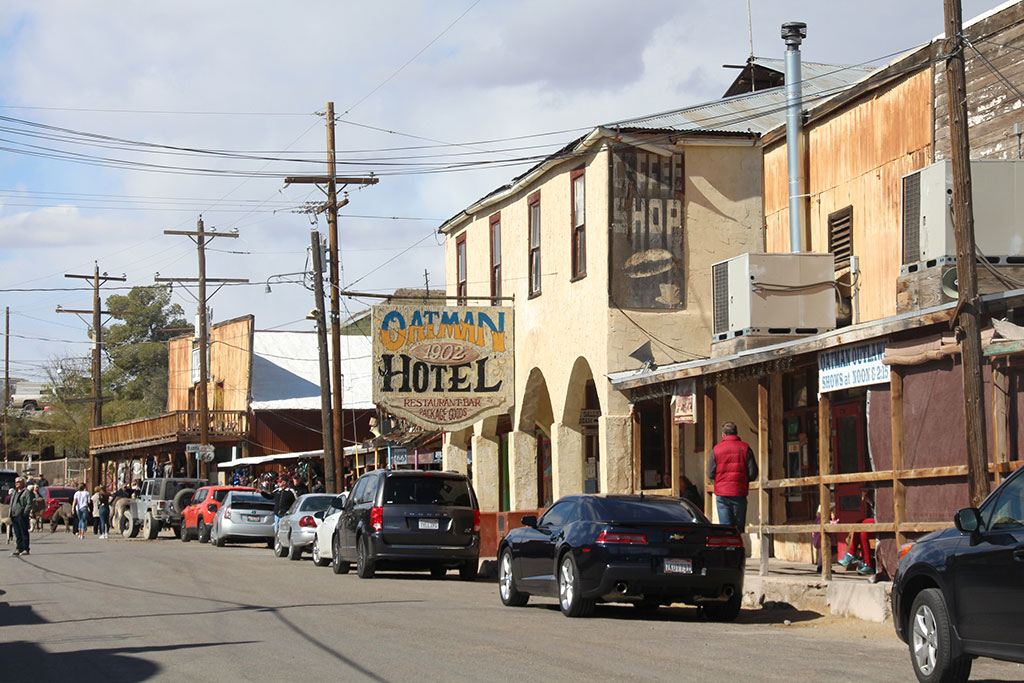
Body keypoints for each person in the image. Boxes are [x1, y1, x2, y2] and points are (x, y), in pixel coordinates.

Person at [706, 421, 758, 533]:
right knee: (738, 528)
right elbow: (753, 473)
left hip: (722, 493)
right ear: (736, 433)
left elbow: (710, 473)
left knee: (726, 528)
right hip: (739, 492)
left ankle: (729, 549)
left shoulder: (716, 450)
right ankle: (737, 548)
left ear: (723, 434)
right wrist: (743, 480)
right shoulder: (745, 448)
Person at [9, 476, 35, 556]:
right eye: (15, 482)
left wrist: (25, 513)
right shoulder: (14, 492)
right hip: (14, 515)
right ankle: (19, 548)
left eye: (18, 482)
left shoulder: (26, 492)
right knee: (17, 533)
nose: (16, 484)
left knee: (23, 532)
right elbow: (12, 503)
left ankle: (25, 549)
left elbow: (29, 503)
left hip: (21, 515)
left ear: (22, 483)